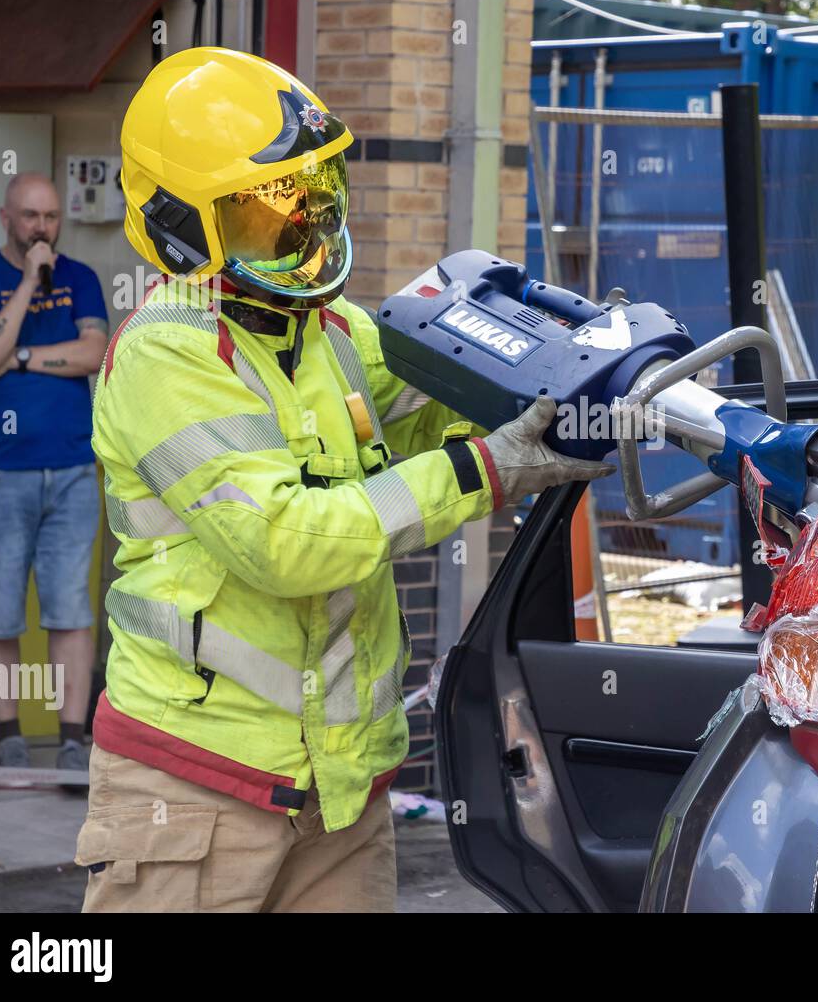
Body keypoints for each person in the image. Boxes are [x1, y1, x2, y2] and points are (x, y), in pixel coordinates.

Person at [75, 47, 611, 912]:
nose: (303, 230)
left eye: (315, 195)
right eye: (266, 215)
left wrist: (577, 377)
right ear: (183, 225)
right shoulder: (168, 351)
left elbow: (448, 408)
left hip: (341, 795)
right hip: (196, 788)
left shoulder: (331, 333)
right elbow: (285, 543)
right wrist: (485, 468)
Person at [0, 173, 107, 778]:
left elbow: (92, 354)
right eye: (30, 217)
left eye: (50, 217)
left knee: (71, 610)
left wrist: (22, 357)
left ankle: (72, 739)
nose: (42, 228)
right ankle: (9, 738)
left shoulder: (83, 279)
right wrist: (25, 286)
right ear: (6, 218)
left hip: (73, 469)